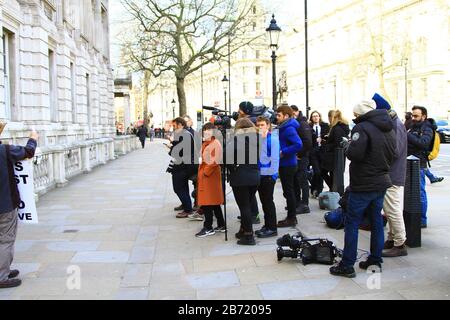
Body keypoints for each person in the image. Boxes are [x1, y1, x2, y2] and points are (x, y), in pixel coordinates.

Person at [330, 100, 396, 278]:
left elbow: (355, 154)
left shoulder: (362, 128)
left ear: (359, 114)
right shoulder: (388, 126)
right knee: (376, 222)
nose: (354, 118)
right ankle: (375, 259)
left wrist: (348, 145)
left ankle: (347, 264)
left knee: (352, 222)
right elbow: (394, 153)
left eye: (355, 115)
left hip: (364, 183)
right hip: (381, 181)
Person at [0, 124, 38, 288]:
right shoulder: (5, 150)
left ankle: (4, 268)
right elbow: (28, 151)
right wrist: (33, 138)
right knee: (6, 240)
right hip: (4, 204)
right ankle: (2, 276)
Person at [372, 93, 408, 258]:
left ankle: (400, 243)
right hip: (391, 173)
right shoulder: (393, 124)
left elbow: (394, 151)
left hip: (392, 174)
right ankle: (392, 238)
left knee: (393, 209)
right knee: (390, 208)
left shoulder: (395, 125)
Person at [227, 118, 260, 245]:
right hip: (254, 176)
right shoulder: (257, 139)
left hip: (241, 177)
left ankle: (249, 235)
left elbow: (225, 156)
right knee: (247, 204)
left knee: (244, 207)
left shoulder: (237, 140)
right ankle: (243, 229)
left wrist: (232, 168)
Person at [407, 105, 436, 229]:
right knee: (411, 192)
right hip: (409, 162)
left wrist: (408, 136)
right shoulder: (412, 126)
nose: (413, 118)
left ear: (423, 116)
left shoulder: (427, 128)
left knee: (420, 192)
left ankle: (422, 219)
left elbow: (424, 143)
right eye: (412, 115)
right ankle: (413, 217)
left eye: (416, 116)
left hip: (419, 163)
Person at [195, 123, 226, 237]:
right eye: (205, 130)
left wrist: (204, 172)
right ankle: (221, 224)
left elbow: (215, 160)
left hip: (210, 175)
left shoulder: (215, 143)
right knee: (213, 201)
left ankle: (208, 227)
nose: (206, 132)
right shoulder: (207, 143)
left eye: (208, 130)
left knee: (207, 201)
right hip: (208, 174)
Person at [275, 105, 303, 228]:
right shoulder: (284, 126)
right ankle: (291, 217)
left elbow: (298, 144)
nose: (277, 117)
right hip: (286, 163)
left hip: (288, 164)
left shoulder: (288, 128)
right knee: (288, 191)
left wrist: (283, 151)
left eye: (279, 115)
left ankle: (292, 218)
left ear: (286, 116)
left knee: (289, 191)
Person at [255, 116, 280, 238]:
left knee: (268, 201)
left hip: (268, 175)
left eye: (262, 125)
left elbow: (275, 159)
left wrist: (273, 175)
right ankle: (268, 225)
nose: (260, 127)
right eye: (258, 125)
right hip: (260, 174)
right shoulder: (259, 139)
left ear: (268, 125)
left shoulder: (272, 139)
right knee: (264, 202)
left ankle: (272, 228)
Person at [168, 118, 196, 218]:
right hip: (185, 165)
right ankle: (187, 206)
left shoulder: (183, 135)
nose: (173, 128)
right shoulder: (187, 133)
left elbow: (175, 152)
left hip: (182, 166)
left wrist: (171, 144)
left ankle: (188, 209)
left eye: (174, 126)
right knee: (183, 187)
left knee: (179, 188)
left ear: (180, 125)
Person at [321, 110, 350, 190]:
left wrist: (327, 144)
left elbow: (337, 143)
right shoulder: (342, 127)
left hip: (333, 156)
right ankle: (334, 191)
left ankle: (334, 191)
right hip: (337, 156)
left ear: (332, 118)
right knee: (334, 176)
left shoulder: (337, 128)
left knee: (325, 173)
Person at [291, 106, 313, 214]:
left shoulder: (302, 123)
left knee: (302, 180)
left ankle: (304, 204)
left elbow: (308, 142)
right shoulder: (298, 122)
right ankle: (298, 203)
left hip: (302, 157)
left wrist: (299, 154)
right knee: (297, 180)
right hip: (299, 156)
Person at [309, 111, 330, 198]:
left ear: (319, 117)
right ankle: (314, 187)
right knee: (316, 171)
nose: (315, 118)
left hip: (323, 151)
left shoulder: (325, 126)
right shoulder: (309, 127)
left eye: (317, 116)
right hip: (313, 151)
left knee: (321, 172)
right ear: (311, 118)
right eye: (314, 116)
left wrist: (323, 138)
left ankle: (319, 191)